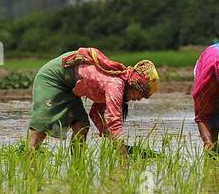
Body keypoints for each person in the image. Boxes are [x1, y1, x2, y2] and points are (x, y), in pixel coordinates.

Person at [26, 48, 158, 150]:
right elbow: (114, 120)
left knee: (82, 125)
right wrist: (121, 149)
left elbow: (96, 113)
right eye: (141, 94)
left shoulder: (118, 85)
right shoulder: (115, 85)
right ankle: (29, 160)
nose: (140, 99)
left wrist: (107, 134)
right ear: (135, 86)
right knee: (41, 126)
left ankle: (77, 166)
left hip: (70, 86)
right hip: (53, 78)